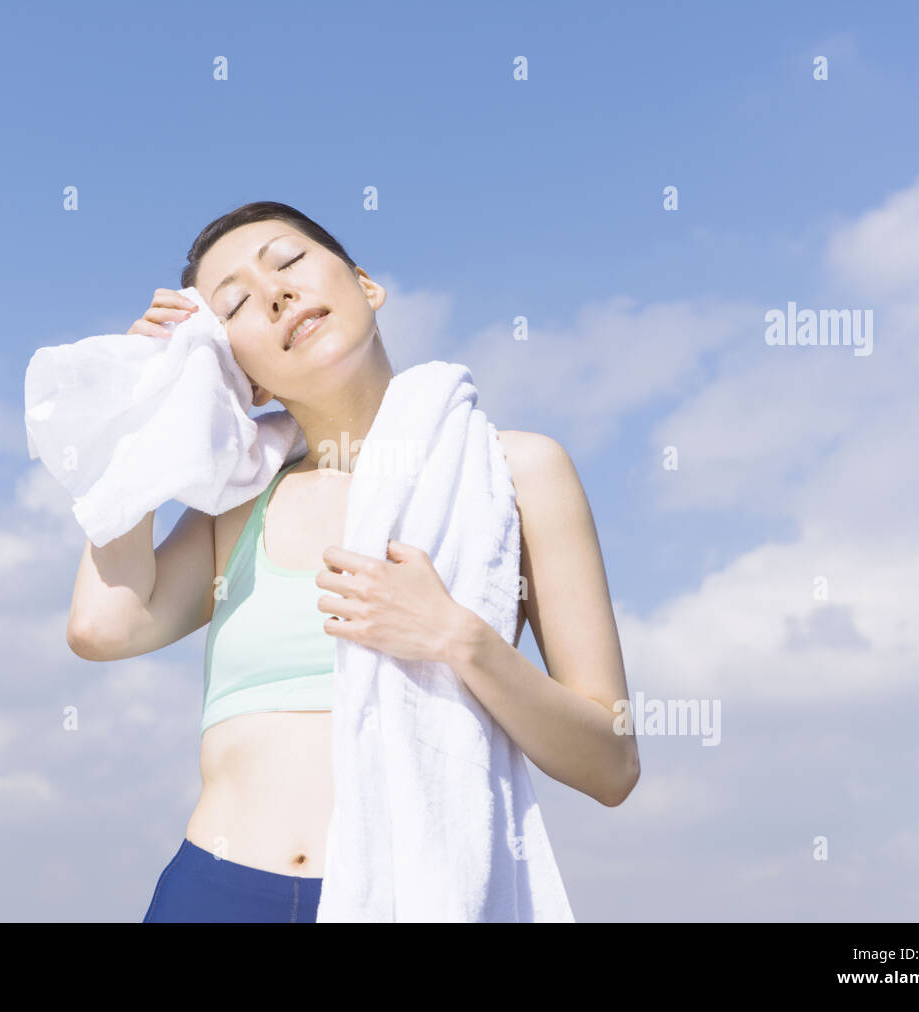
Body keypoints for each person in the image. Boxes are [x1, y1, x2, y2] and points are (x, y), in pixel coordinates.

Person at [65, 200, 639, 922]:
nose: (275, 294)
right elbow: (101, 626)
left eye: (288, 262)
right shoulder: (240, 501)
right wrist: (145, 402)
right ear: (244, 375)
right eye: (236, 303)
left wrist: (458, 639)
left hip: (410, 896)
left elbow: (611, 765)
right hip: (215, 892)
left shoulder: (515, 470)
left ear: (366, 284)